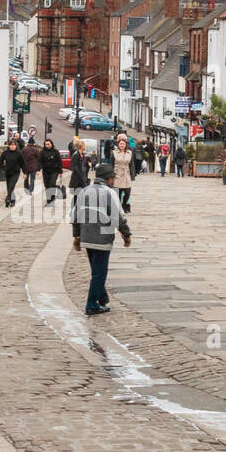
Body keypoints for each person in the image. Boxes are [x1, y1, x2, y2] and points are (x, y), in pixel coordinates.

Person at [73, 163, 132, 316]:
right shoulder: (109, 193)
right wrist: (126, 234)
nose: (114, 181)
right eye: (113, 178)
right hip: (102, 238)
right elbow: (118, 217)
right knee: (99, 273)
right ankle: (91, 305)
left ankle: (102, 297)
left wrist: (77, 236)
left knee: (96, 270)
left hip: (87, 236)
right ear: (108, 179)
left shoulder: (84, 191)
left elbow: (75, 216)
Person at [0, 138, 24, 207]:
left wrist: (25, 172)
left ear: (16, 146)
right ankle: (12, 200)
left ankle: (7, 199)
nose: (12, 146)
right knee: (9, 187)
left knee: (11, 186)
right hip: (7, 172)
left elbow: (23, 163)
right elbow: (0, 161)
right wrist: (3, 169)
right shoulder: (5, 153)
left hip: (15, 172)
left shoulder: (19, 153)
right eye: (11, 145)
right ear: (9, 146)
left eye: (14, 145)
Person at [112, 132, 134, 213]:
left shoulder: (130, 152)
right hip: (117, 174)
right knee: (118, 192)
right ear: (118, 144)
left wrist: (133, 175)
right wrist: (111, 175)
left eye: (123, 144)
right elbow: (111, 164)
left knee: (127, 192)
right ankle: (119, 208)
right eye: (120, 144)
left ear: (126, 144)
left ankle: (125, 205)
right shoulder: (114, 152)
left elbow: (132, 164)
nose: (122, 145)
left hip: (126, 174)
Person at [68, 137, 89, 217]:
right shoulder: (76, 155)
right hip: (77, 180)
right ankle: (73, 211)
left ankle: (76, 211)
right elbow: (72, 167)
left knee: (79, 196)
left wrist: (88, 166)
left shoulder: (82, 155)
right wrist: (79, 172)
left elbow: (84, 168)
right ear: (81, 146)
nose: (85, 146)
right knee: (77, 196)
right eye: (84, 145)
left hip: (82, 179)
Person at [40, 137, 64, 205]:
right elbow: (39, 161)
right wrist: (38, 169)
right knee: (47, 185)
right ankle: (49, 200)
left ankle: (52, 198)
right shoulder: (42, 152)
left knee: (52, 184)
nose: (47, 146)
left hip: (54, 170)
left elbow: (59, 161)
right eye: (46, 144)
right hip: (45, 171)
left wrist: (60, 171)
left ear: (51, 144)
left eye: (48, 144)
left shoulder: (55, 151)